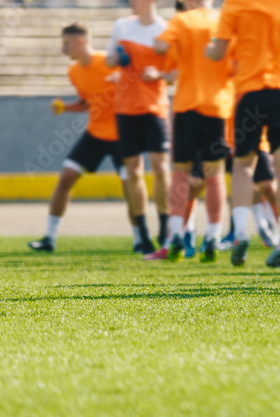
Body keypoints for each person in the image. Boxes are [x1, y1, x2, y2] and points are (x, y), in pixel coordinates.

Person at [207, 0, 280, 268]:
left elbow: (218, 52)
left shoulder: (233, 5)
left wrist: (210, 47)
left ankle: (240, 232)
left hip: (250, 92)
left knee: (242, 165)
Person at [29, 23, 133, 253]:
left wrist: (123, 80)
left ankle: (140, 240)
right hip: (95, 133)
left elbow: (135, 86)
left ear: (81, 42)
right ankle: (49, 238)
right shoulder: (74, 71)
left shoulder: (108, 62)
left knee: (131, 187)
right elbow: (87, 103)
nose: (63, 49)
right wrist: (65, 107)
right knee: (66, 177)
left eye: (66, 43)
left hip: (122, 134)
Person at [147, 0, 232, 262]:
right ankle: (213, 236)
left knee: (180, 173)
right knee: (215, 175)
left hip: (186, 105)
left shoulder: (181, 20)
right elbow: (236, 64)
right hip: (217, 106)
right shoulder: (225, 20)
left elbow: (161, 47)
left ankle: (175, 236)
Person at [105, 0, 173, 254]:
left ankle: (164, 227)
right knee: (133, 170)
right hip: (126, 109)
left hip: (155, 108)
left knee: (161, 167)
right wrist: (113, 59)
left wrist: (159, 74)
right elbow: (109, 60)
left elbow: (175, 72)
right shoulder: (122, 25)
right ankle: (142, 234)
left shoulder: (165, 29)